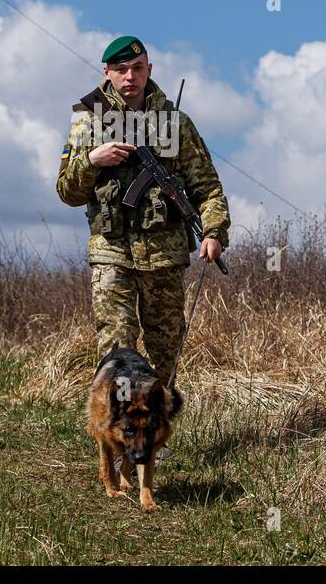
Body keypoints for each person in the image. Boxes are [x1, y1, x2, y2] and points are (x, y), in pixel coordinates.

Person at [56, 35, 230, 389]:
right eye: (121, 70)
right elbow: (68, 192)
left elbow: (208, 188)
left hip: (165, 254)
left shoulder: (175, 123)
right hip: (111, 250)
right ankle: (121, 432)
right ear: (107, 71)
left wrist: (214, 232)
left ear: (149, 70)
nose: (130, 77)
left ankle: (154, 424)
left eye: (137, 68)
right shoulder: (89, 122)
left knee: (166, 348)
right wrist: (92, 160)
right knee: (117, 349)